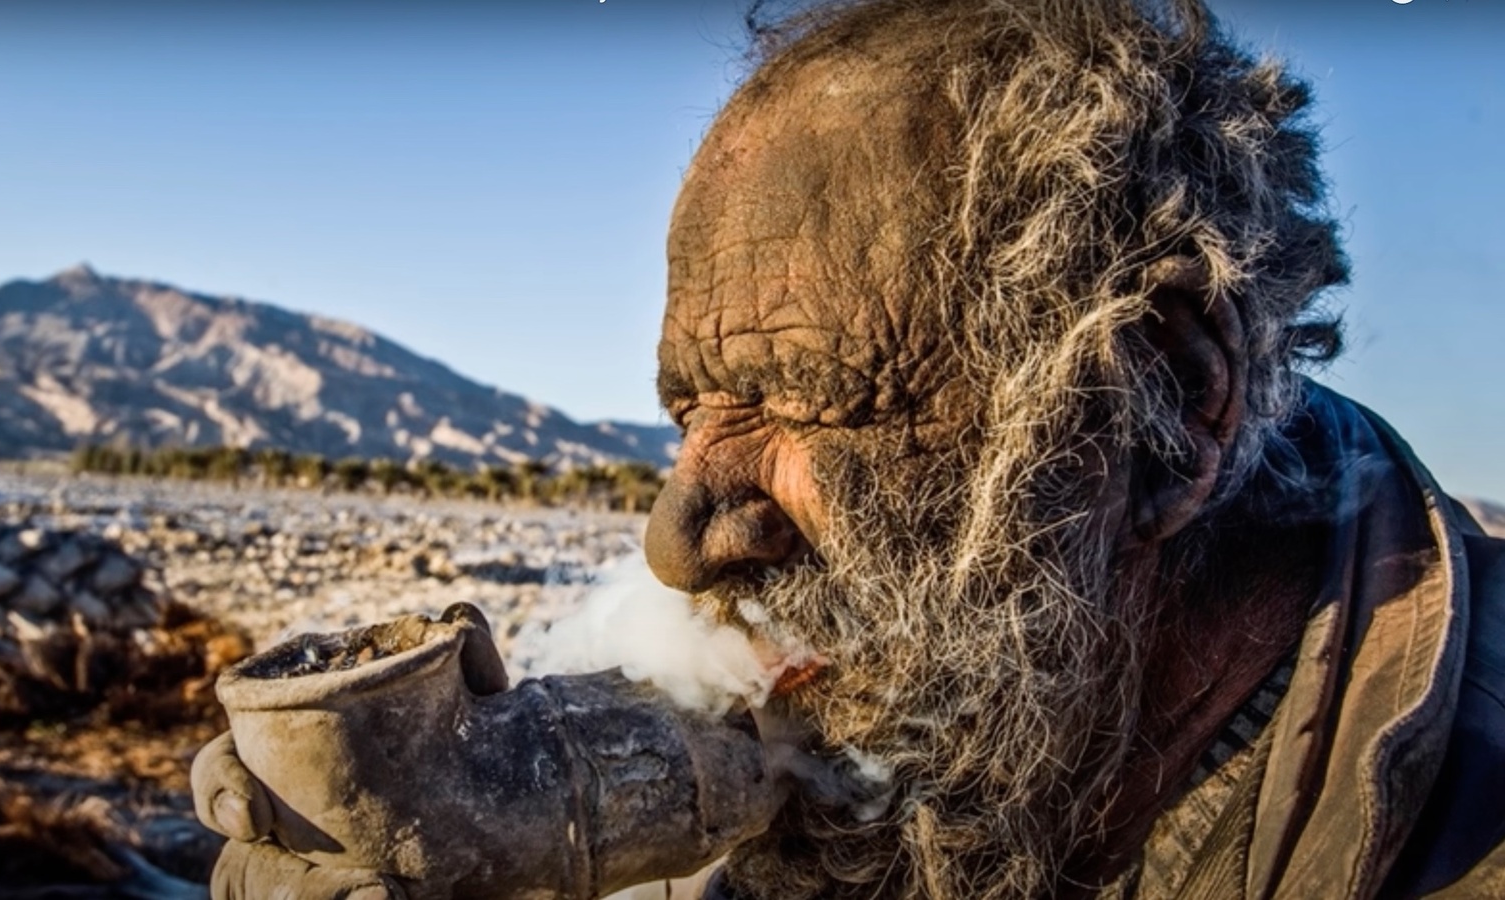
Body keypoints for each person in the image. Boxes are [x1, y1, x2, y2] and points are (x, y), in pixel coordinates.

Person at [193, 1, 1505, 897]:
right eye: (689, 409)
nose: (677, 538)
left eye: (805, 394)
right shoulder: (929, 722)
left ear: (1156, 409)